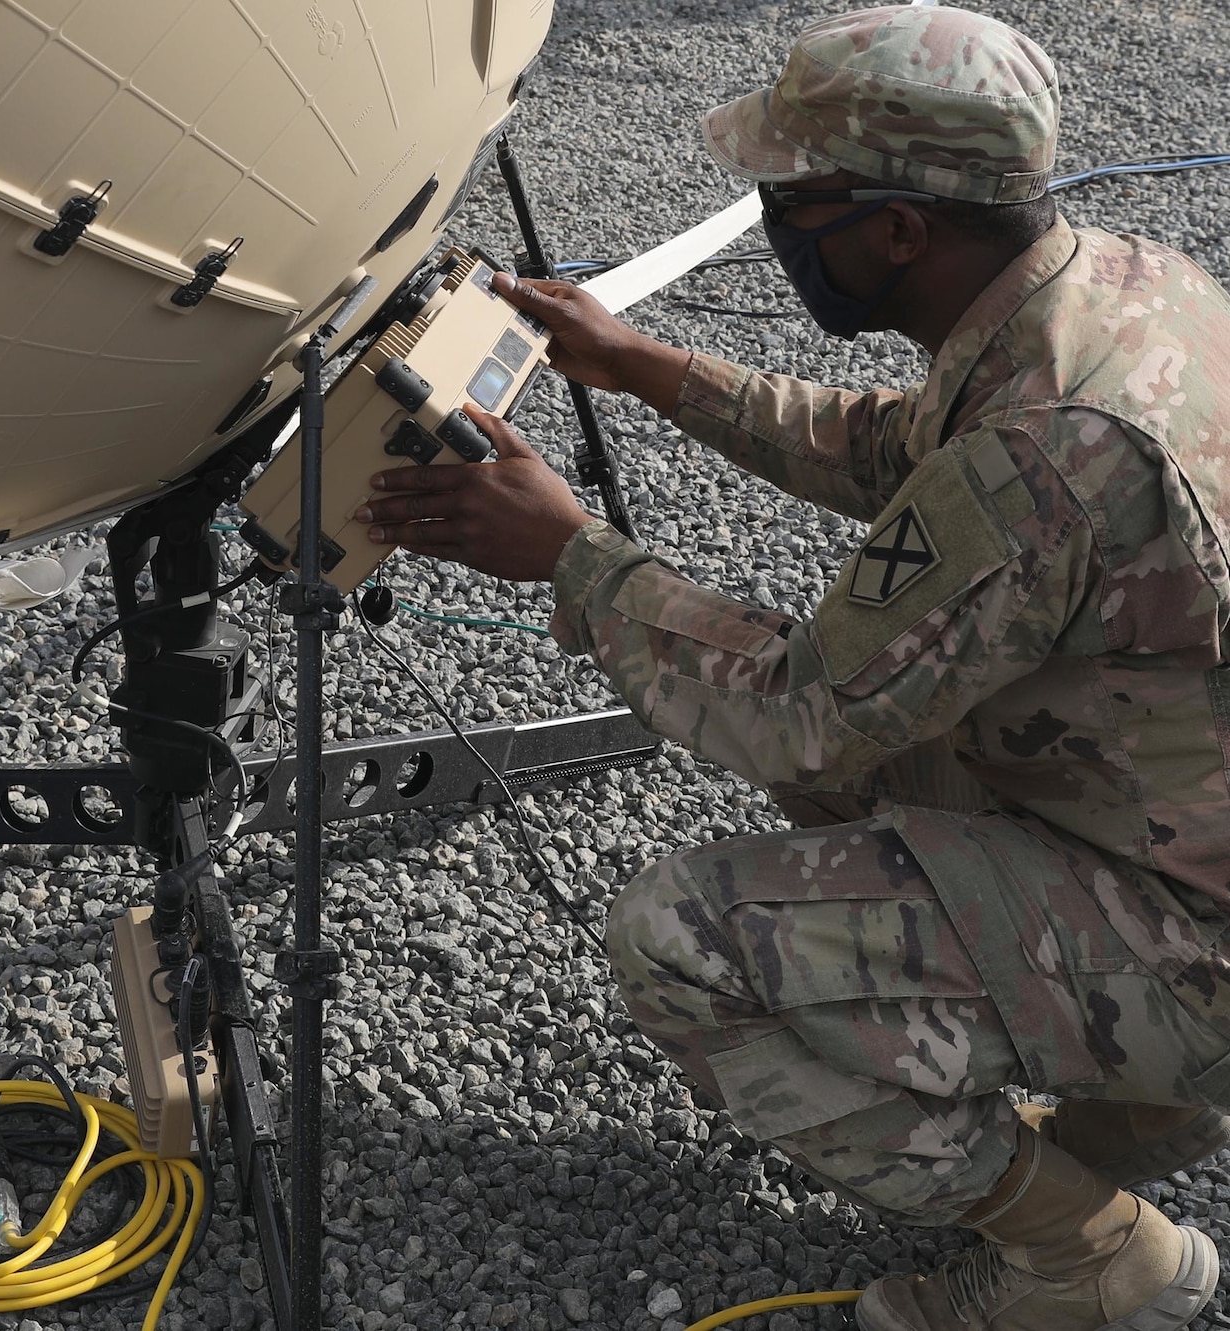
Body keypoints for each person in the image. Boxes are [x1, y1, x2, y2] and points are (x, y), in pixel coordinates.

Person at [351, 6, 1230, 1329]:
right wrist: (649, 369)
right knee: (870, 763)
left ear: (898, 229)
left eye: (789, 196)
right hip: (1159, 814)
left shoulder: (1054, 439)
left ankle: (1094, 1255)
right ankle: (1127, 1098)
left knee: (683, 942)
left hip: (1194, 932)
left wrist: (571, 559)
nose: (768, 221)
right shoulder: (1111, 287)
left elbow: (803, 716)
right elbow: (902, 451)